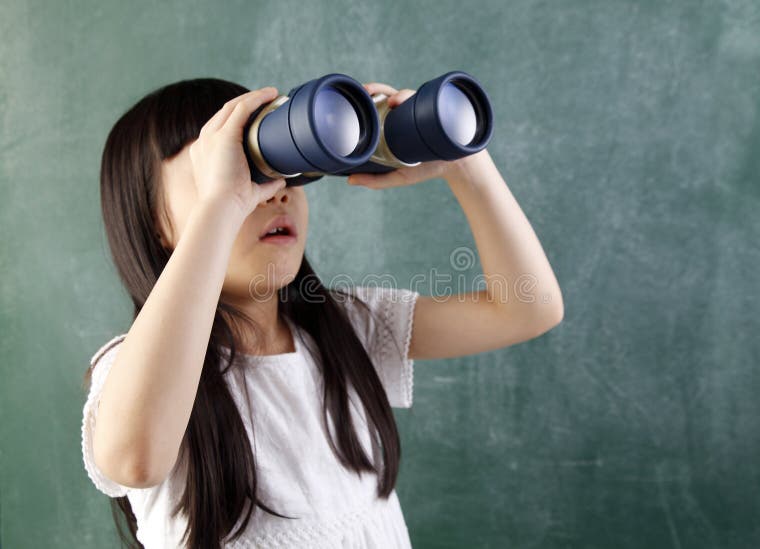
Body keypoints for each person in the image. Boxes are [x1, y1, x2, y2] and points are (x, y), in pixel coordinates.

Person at [80, 77, 564, 548]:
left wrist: (466, 167)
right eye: (239, 171)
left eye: (282, 170)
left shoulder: (345, 329)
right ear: (154, 223)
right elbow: (135, 460)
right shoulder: (133, 370)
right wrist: (222, 205)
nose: (275, 190)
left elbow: (527, 309)